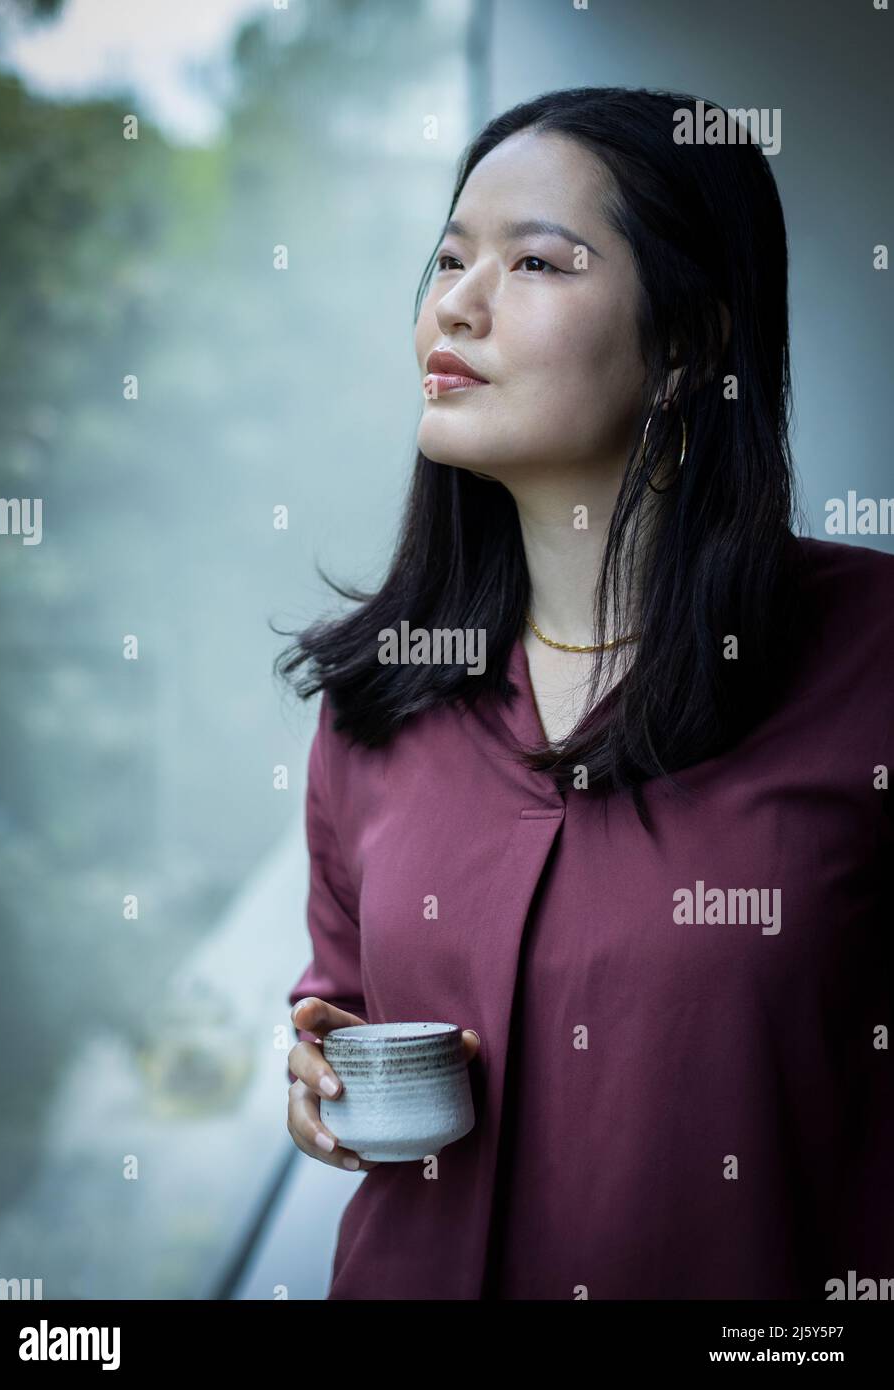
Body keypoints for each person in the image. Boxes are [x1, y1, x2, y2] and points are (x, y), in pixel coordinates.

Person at [276, 86, 894, 1299]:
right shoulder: (375, 701)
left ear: (689, 343)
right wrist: (318, 1083)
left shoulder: (870, 656)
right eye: (449, 259)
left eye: (535, 263)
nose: (455, 304)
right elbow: (336, 1006)